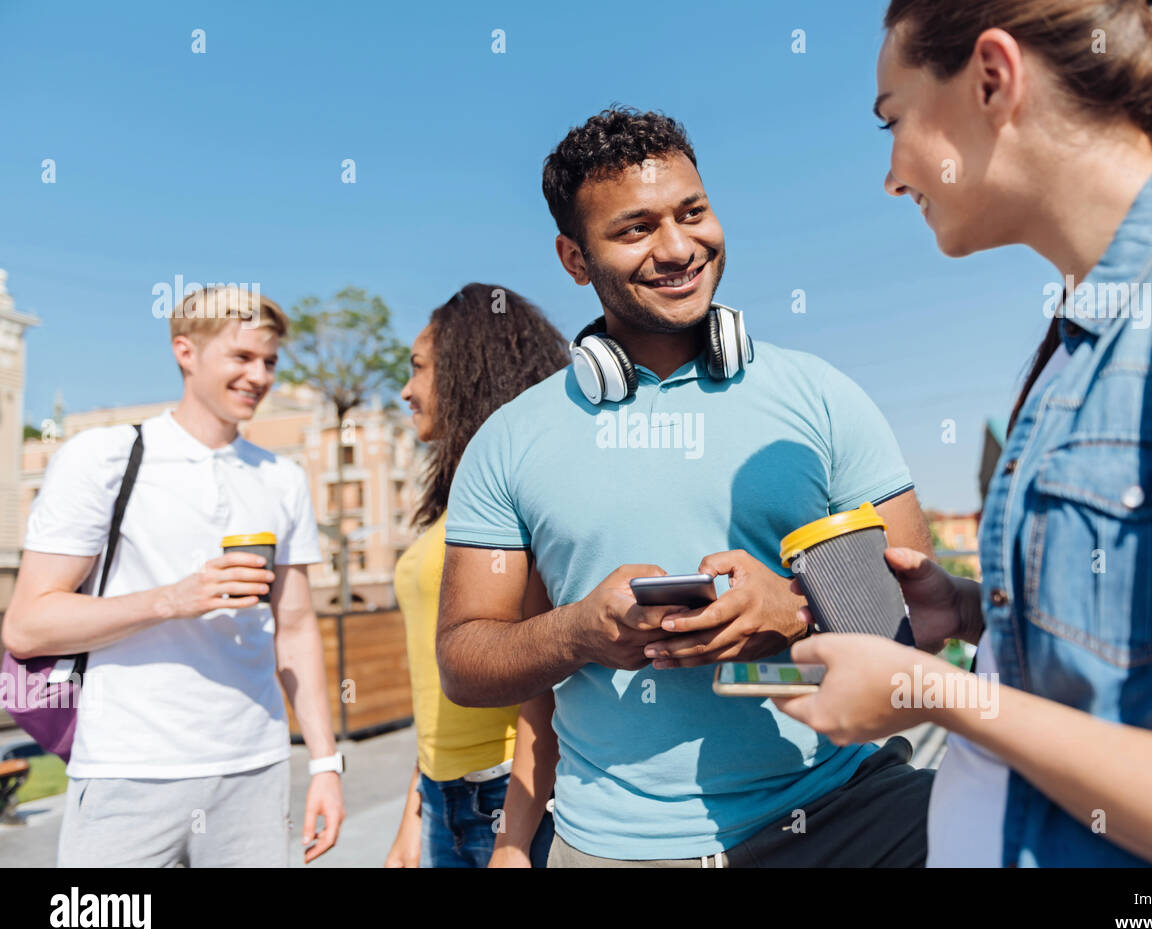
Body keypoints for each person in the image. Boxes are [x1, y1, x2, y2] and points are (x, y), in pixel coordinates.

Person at [776, 0, 1152, 867]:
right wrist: (984, 617)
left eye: (892, 120)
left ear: (992, 78)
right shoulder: (1071, 342)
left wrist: (933, 692)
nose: (891, 176)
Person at [438, 107, 937, 868]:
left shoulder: (823, 397)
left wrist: (794, 617)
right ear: (575, 259)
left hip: (844, 812)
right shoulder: (509, 439)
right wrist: (579, 632)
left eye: (693, 212)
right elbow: (464, 659)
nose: (679, 248)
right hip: (612, 848)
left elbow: (919, 626)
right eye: (636, 229)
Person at [3, 284, 345, 866]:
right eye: (241, 357)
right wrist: (171, 600)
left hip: (254, 772)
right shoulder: (104, 458)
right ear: (185, 352)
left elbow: (296, 627)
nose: (259, 376)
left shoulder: (280, 478)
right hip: (124, 773)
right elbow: (27, 627)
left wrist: (324, 764)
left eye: (269, 361)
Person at [383, 284, 565, 868]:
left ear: (466, 370)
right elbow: (440, 675)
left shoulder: (522, 488)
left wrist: (512, 841)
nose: (406, 391)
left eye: (418, 369)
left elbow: (545, 685)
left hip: (509, 793)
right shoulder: (454, 499)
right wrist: (415, 813)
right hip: (442, 794)